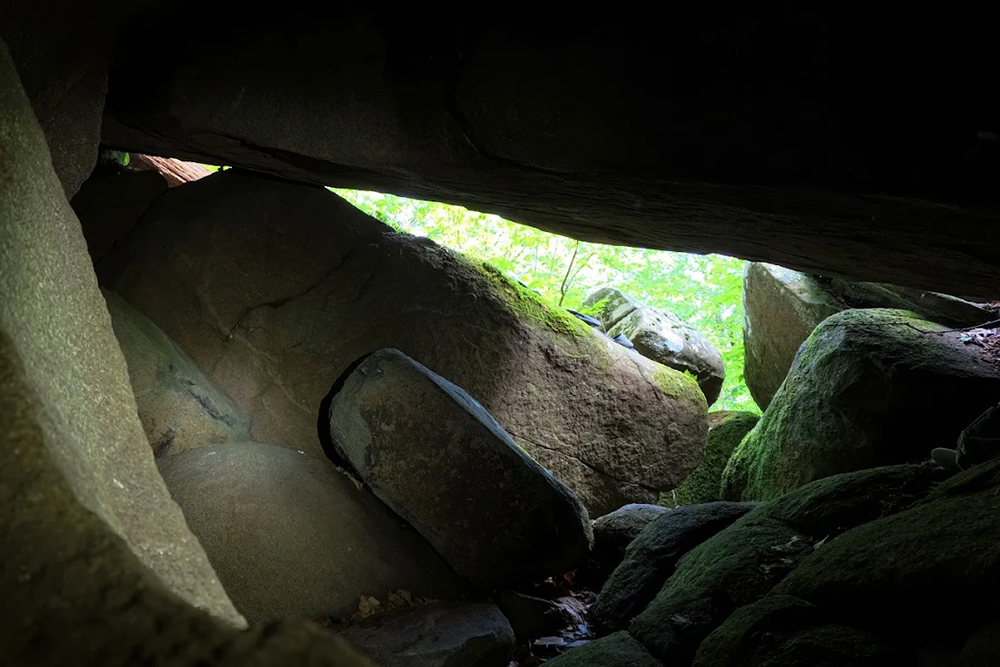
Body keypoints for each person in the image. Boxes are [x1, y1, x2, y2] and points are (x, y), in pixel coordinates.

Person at [932, 403, 1000, 471]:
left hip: (971, 456)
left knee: (938, 454)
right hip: (970, 455)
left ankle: (961, 465)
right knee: (938, 453)